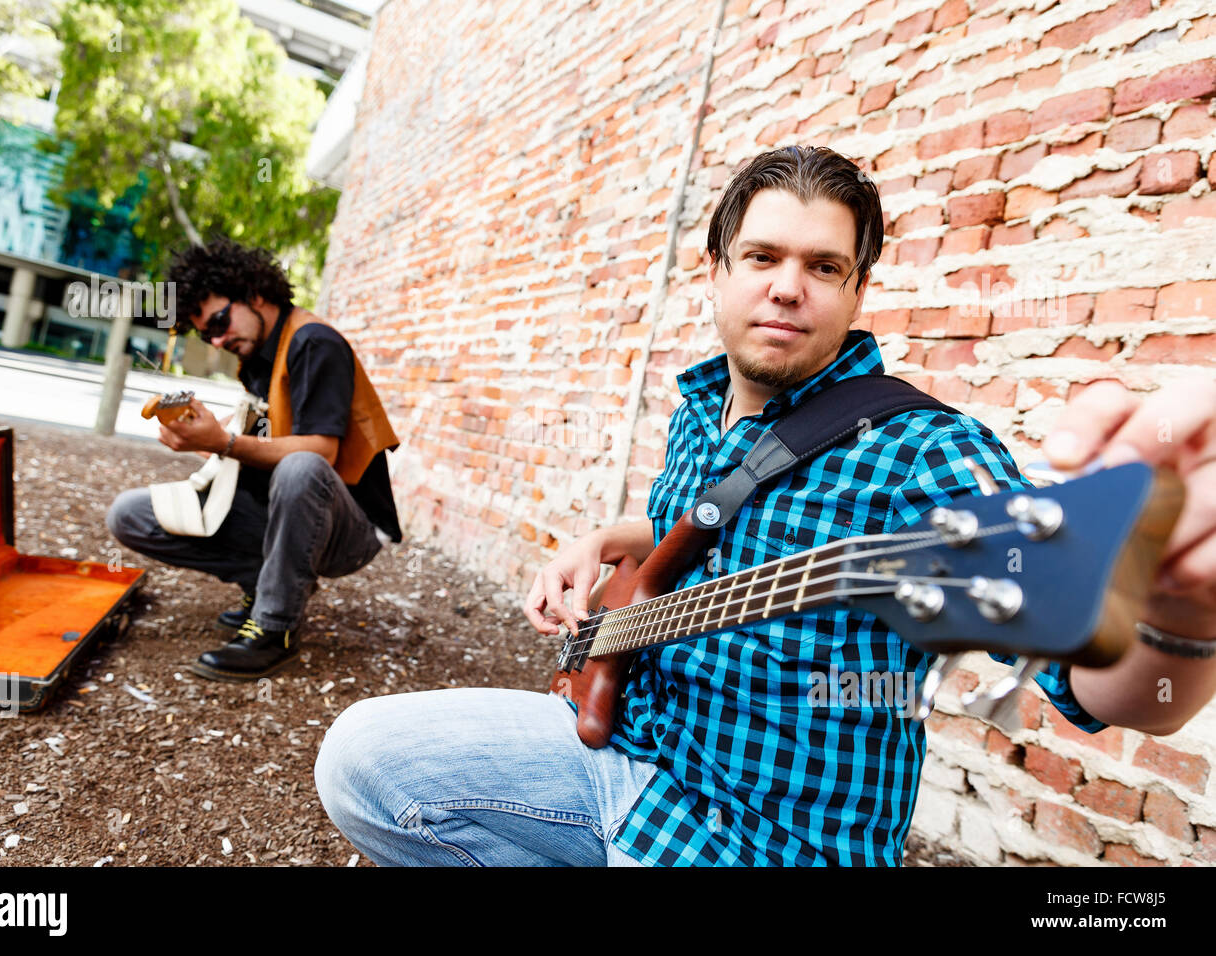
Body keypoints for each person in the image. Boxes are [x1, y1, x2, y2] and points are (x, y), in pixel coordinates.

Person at [314, 147, 1216, 865]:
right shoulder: (706, 405)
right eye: (763, 256)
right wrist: (605, 539)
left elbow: (1103, 681)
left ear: (858, 289)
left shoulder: (926, 454)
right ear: (716, 272)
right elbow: (702, 530)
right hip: (627, 745)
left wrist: (1177, 617)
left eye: (824, 265)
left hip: (750, 840)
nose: (789, 286)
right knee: (360, 760)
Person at [106, 239, 402, 681]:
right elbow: (261, 429)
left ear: (255, 294)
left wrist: (224, 442)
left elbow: (318, 452)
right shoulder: (259, 353)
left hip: (348, 530)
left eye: (221, 322)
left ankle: (274, 629)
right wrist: (200, 437)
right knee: (128, 514)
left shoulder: (314, 343)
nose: (220, 340)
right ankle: (265, 584)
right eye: (209, 335)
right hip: (289, 516)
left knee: (301, 467)